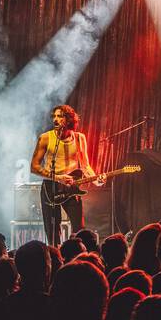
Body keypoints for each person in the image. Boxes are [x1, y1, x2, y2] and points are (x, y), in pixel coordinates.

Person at [29, 105, 102, 246]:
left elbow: (85, 165)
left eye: (60, 116)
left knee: (79, 229)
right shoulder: (45, 138)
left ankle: (76, 256)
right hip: (51, 187)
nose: (55, 120)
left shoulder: (80, 138)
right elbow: (34, 167)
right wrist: (58, 177)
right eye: (54, 116)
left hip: (71, 188)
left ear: (69, 119)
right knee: (52, 231)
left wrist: (96, 180)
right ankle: (56, 258)